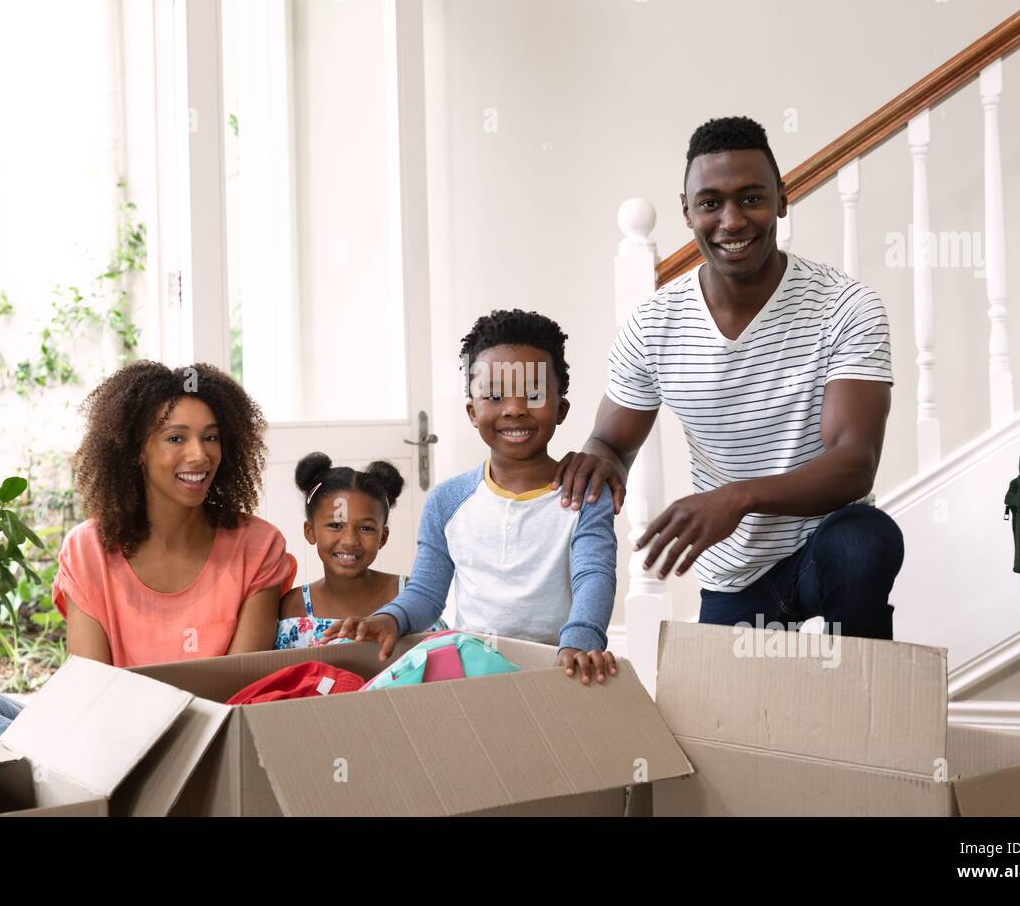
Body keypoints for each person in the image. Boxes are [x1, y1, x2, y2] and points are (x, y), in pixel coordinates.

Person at [553, 116, 903, 640]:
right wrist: (593, 465)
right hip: (735, 573)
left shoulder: (845, 307)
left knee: (865, 542)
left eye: (752, 198)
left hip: (826, 547)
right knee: (724, 720)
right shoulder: (654, 325)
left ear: (782, 199)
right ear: (687, 211)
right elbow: (609, 441)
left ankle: (865, 705)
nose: (732, 221)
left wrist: (737, 497)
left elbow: (855, 464)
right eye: (712, 202)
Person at [0, 361, 297, 745]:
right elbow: (90, 691)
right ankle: (59, 773)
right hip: (107, 734)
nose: (199, 455)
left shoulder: (258, 546)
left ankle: (52, 777)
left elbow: (238, 687)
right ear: (137, 451)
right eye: (176, 438)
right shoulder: (89, 550)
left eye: (211, 437)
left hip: (202, 739)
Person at [321, 309, 620, 684]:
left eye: (533, 394)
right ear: (472, 412)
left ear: (561, 409)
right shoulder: (447, 501)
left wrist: (580, 640)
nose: (514, 408)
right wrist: (389, 618)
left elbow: (594, 576)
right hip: (473, 672)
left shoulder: (585, 496)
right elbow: (427, 594)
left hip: (559, 669)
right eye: (494, 395)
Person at [276, 452, 446, 648]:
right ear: (310, 531)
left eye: (365, 528)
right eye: (335, 525)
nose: (350, 541)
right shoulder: (293, 606)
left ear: (383, 537)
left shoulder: (410, 597)